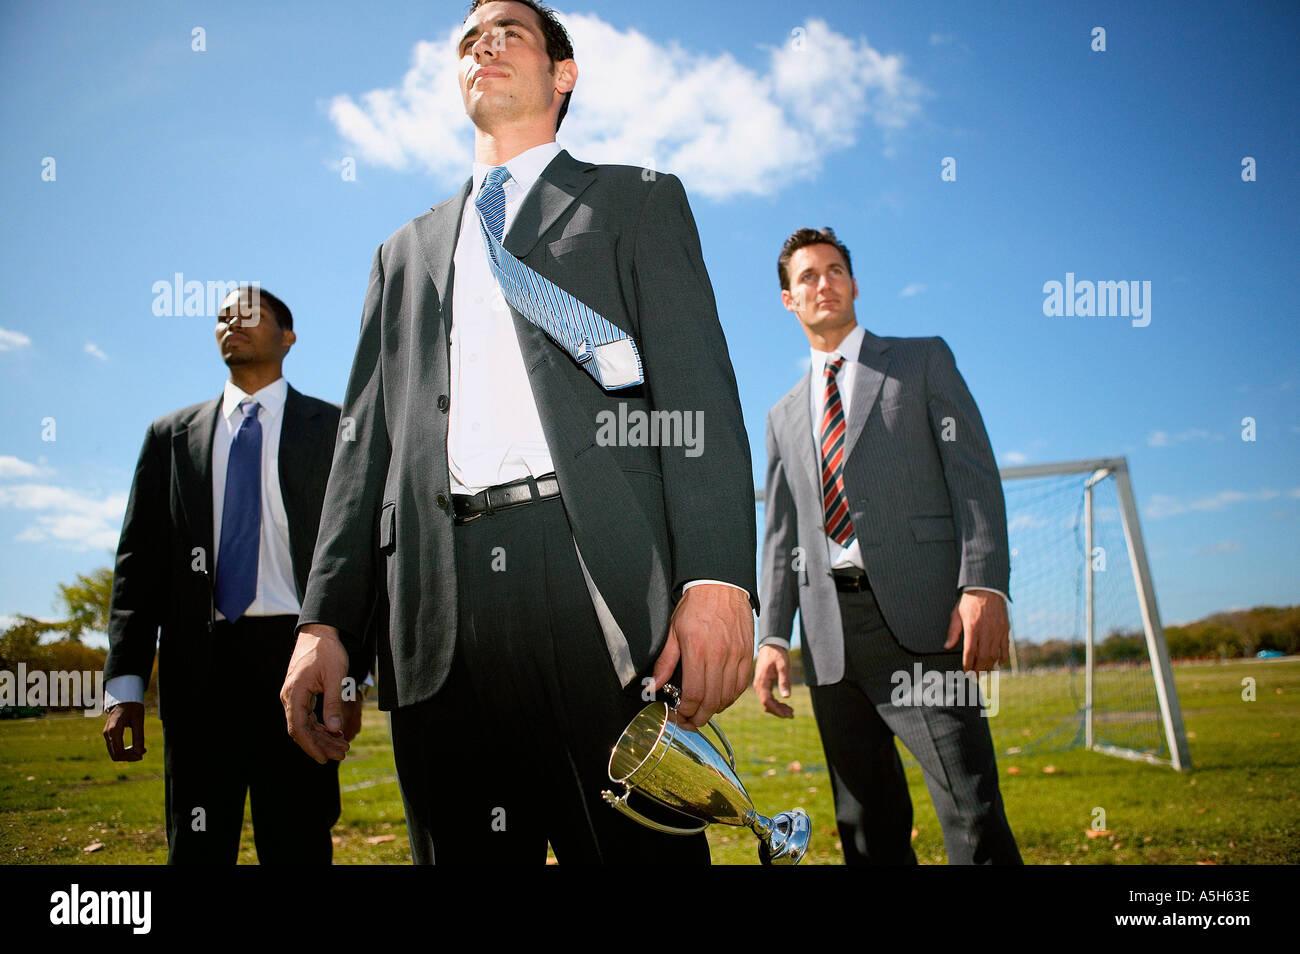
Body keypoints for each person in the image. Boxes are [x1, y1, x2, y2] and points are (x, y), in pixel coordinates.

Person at [280, 0, 757, 864]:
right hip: (436, 606)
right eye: (468, 39)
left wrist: (719, 575)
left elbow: (699, 397)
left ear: (562, 74)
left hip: (599, 595)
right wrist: (325, 622)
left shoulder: (637, 200)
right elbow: (364, 456)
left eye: (510, 32)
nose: (484, 45)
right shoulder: (404, 251)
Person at [754, 227, 1021, 864]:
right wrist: (771, 637)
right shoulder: (783, 414)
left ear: (853, 283)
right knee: (866, 825)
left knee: (971, 809)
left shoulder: (922, 360)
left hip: (925, 621)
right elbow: (781, 536)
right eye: (809, 276)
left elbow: (974, 476)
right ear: (789, 301)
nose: (824, 283)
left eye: (836, 269)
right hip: (829, 639)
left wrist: (983, 583)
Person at [102, 286, 364, 864]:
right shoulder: (169, 437)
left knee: (297, 842)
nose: (232, 324)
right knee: (195, 846)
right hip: (199, 666)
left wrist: (351, 678)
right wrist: (125, 687)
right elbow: (137, 568)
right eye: (222, 316)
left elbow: (358, 554)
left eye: (250, 314)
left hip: (299, 658)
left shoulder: (335, 428)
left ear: (288, 336)